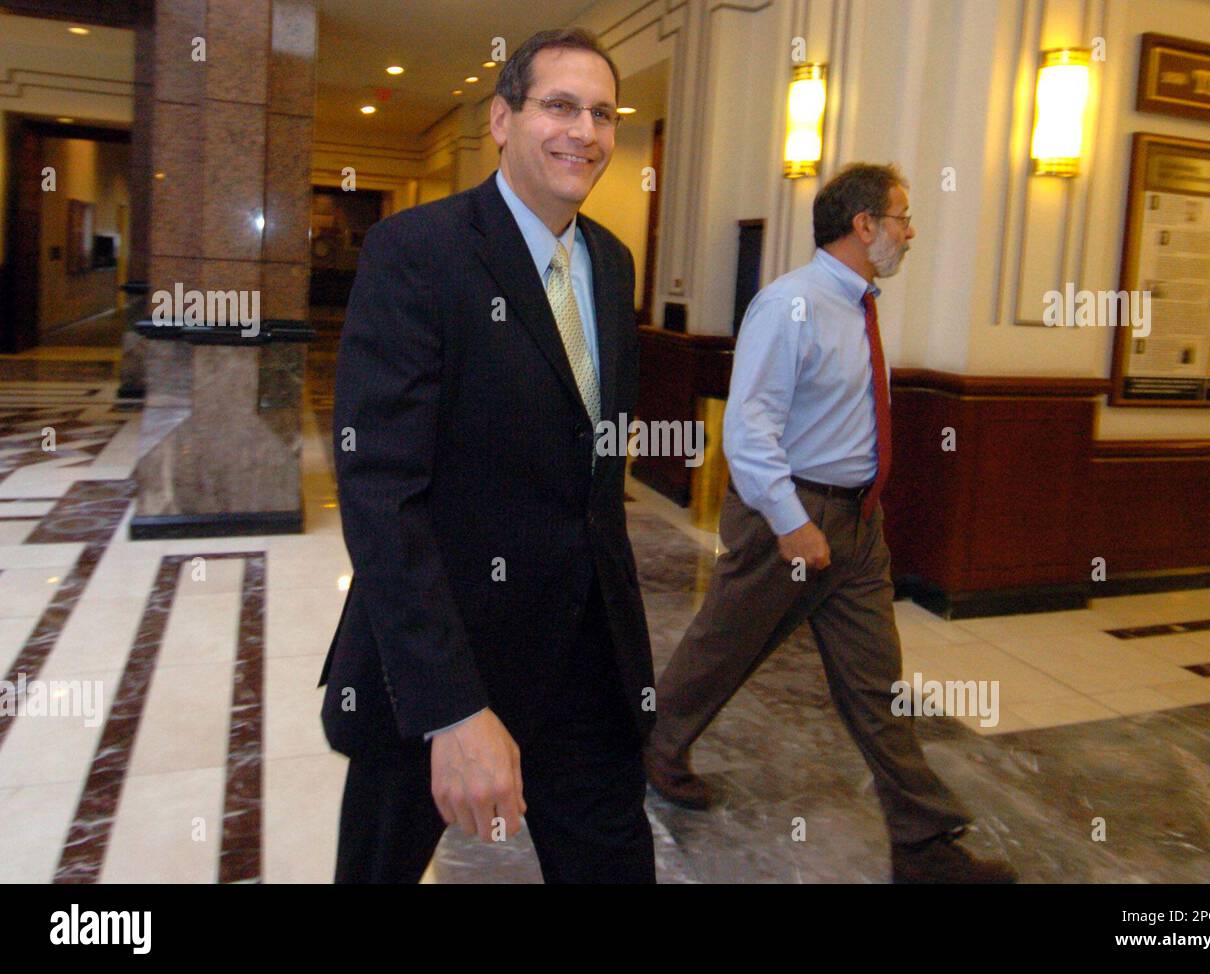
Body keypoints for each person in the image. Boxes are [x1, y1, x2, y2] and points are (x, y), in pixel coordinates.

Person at [319, 28, 656, 884]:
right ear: (502, 120)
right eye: (559, 106)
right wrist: (452, 707)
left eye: (602, 113)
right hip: (438, 662)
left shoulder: (612, 266)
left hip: (583, 660)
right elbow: (381, 489)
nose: (584, 130)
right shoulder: (417, 253)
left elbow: (592, 478)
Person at [643, 163, 1018, 884]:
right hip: (791, 515)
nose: (911, 233)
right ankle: (658, 746)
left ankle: (921, 846)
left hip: (855, 524)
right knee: (727, 645)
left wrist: (854, 516)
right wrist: (792, 523)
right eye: (902, 218)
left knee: (875, 685)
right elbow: (749, 430)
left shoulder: (861, 306)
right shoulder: (791, 304)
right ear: (864, 225)